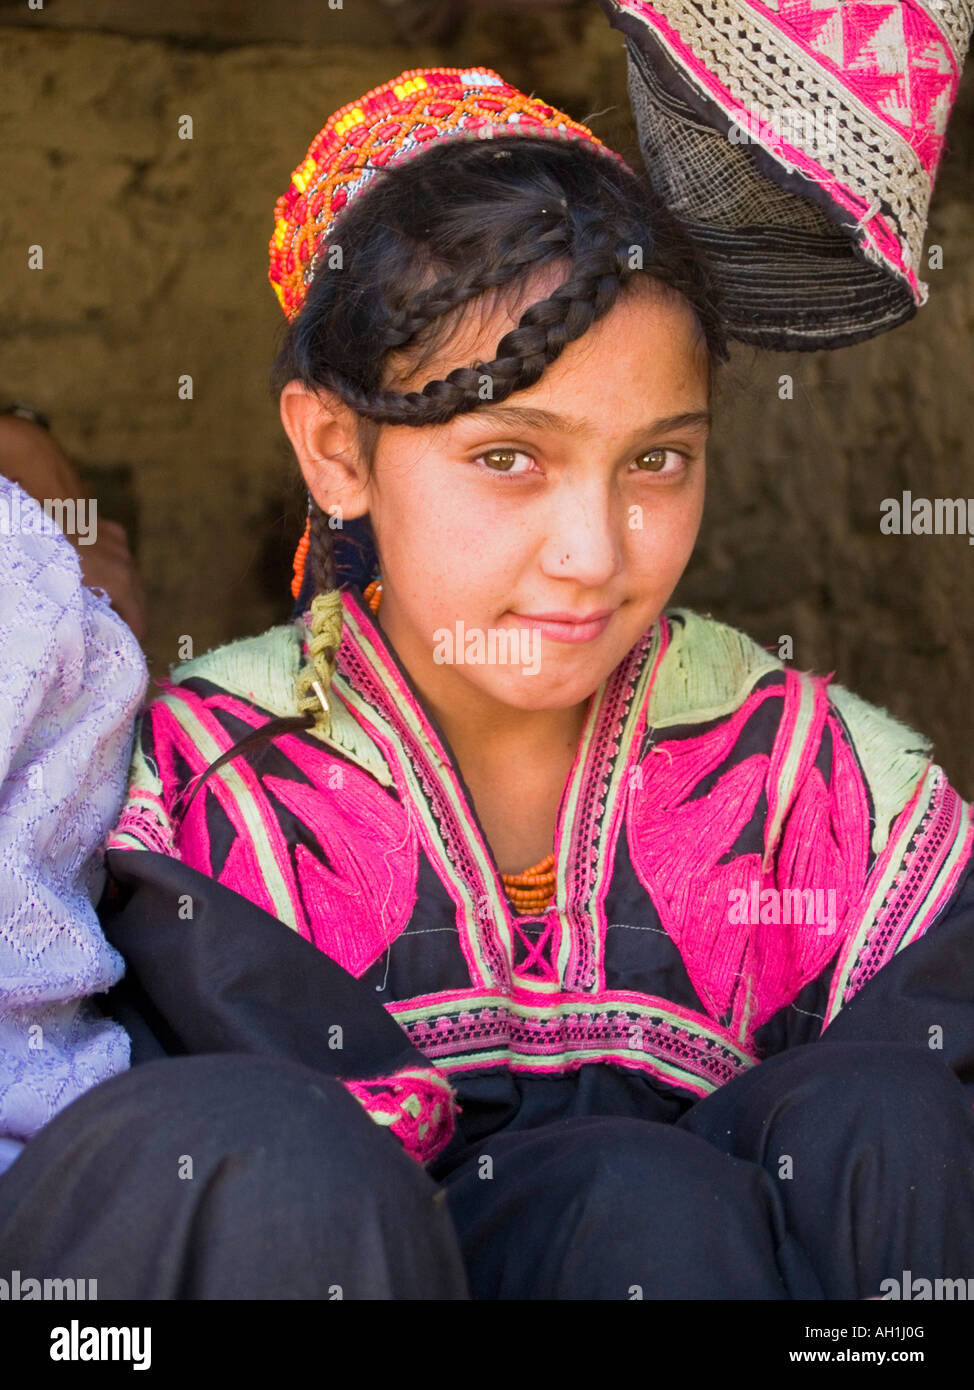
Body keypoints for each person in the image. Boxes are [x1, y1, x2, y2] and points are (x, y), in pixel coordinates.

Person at [1, 64, 973, 1301]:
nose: (593, 554)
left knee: (862, 1113)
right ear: (335, 450)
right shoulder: (198, 790)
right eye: (507, 455)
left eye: (657, 460)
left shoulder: (821, 786)